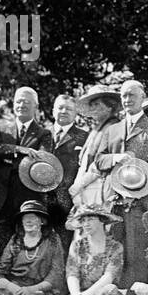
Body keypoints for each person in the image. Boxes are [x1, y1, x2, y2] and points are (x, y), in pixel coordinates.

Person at [0, 86, 55, 264]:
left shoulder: (44, 134)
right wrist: (17, 150)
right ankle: (0, 291)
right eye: (18, 101)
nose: (21, 105)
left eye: (26, 102)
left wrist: (8, 156)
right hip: (2, 201)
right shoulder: (1, 129)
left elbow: (42, 161)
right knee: (1, 251)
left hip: (28, 200)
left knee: (27, 251)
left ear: (35, 106)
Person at [116, 80, 148, 286]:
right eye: (124, 96)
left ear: (142, 99)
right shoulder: (114, 128)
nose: (128, 100)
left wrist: (134, 192)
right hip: (114, 201)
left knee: (137, 253)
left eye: (132, 95)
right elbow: (101, 160)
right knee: (116, 251)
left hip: (140, 202)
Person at [45, 206, 125, 295]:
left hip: (101, 292)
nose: (86, 224)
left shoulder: (115, 247)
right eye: (83, 221)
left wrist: (89, 294)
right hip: (82, 293)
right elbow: (72, 273)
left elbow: (109, 276)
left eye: (90, 219)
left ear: (102, 220)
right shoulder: (77, 246)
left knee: (109, 291)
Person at [69, 86, 127, 210]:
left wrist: (79, 184)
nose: (93, 108)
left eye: (96, 104)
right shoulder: (96, 129)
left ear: (109, 107)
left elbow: (108, 161)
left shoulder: (114, 127)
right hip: (87, 187)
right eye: (92, 105)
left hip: (101, 187)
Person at [47, 92, 88, 255]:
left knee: (64, 246)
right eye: (60, 108)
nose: (63, 111)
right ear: (53, 110)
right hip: (41, 199)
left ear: (76, 113)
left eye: (69, 109)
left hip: (67, 201)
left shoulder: (84, 137)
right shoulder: (42, 134)